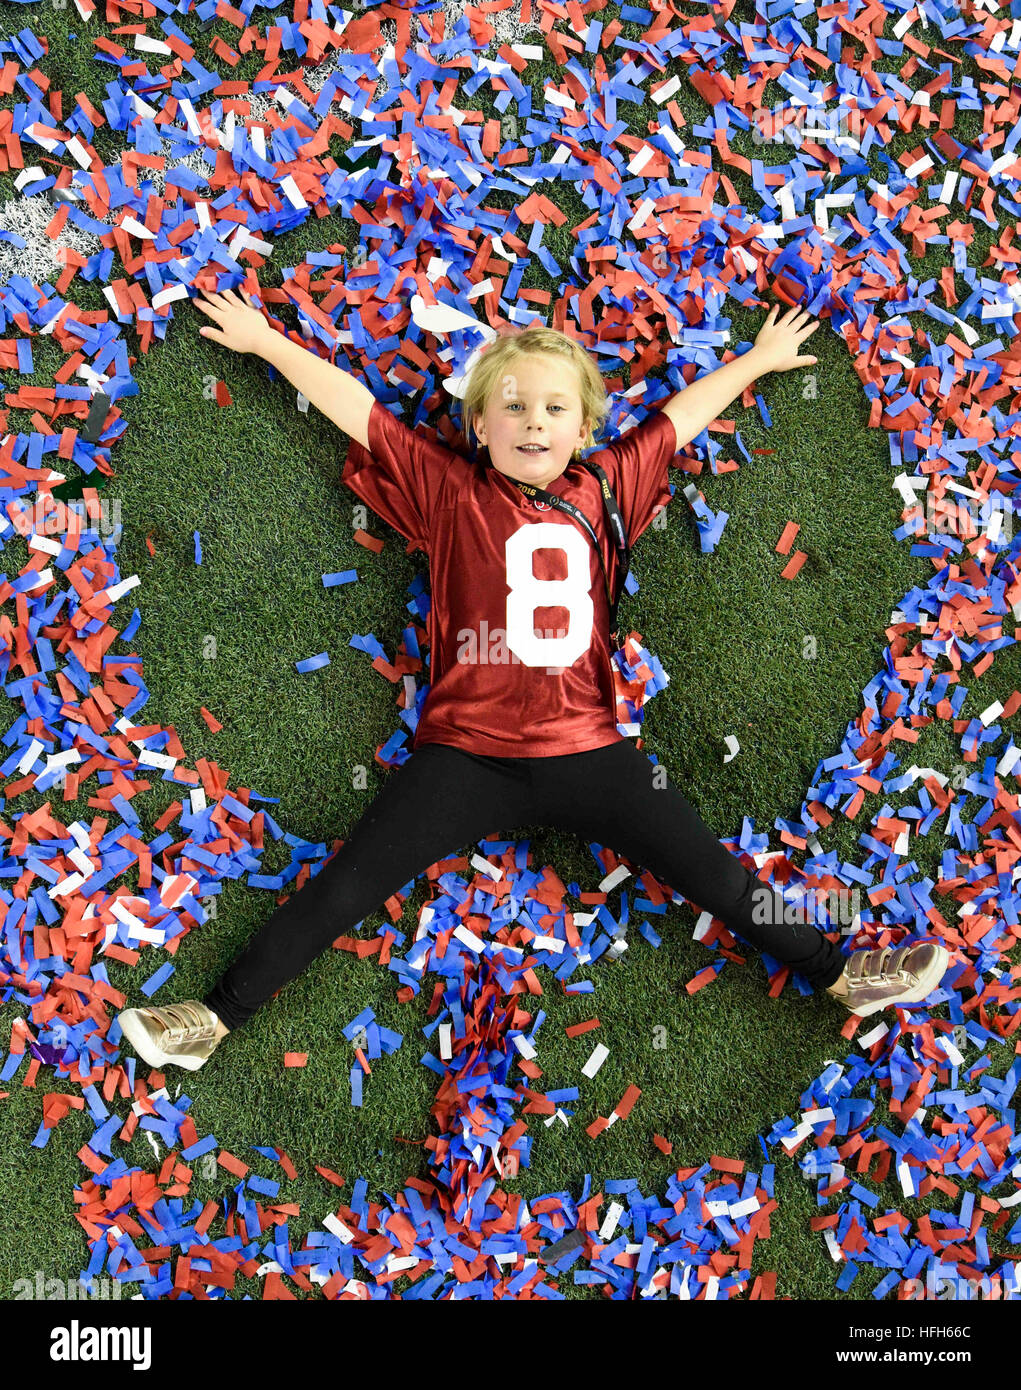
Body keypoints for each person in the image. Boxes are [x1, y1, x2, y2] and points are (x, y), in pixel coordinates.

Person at [116, 288, 949, 1072]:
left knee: (721, 880)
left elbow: (680, 419)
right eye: (511, 406)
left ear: (583, 426)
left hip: (592, 751)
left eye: (553, 408)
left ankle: (843, 974)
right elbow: (357, 413)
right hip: (463, 759)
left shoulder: (609, 483)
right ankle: (212, 1019)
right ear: (477, 424)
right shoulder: (449, 489)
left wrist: (757, 362)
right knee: (343, 889)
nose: (532, 421)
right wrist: (266, 343)